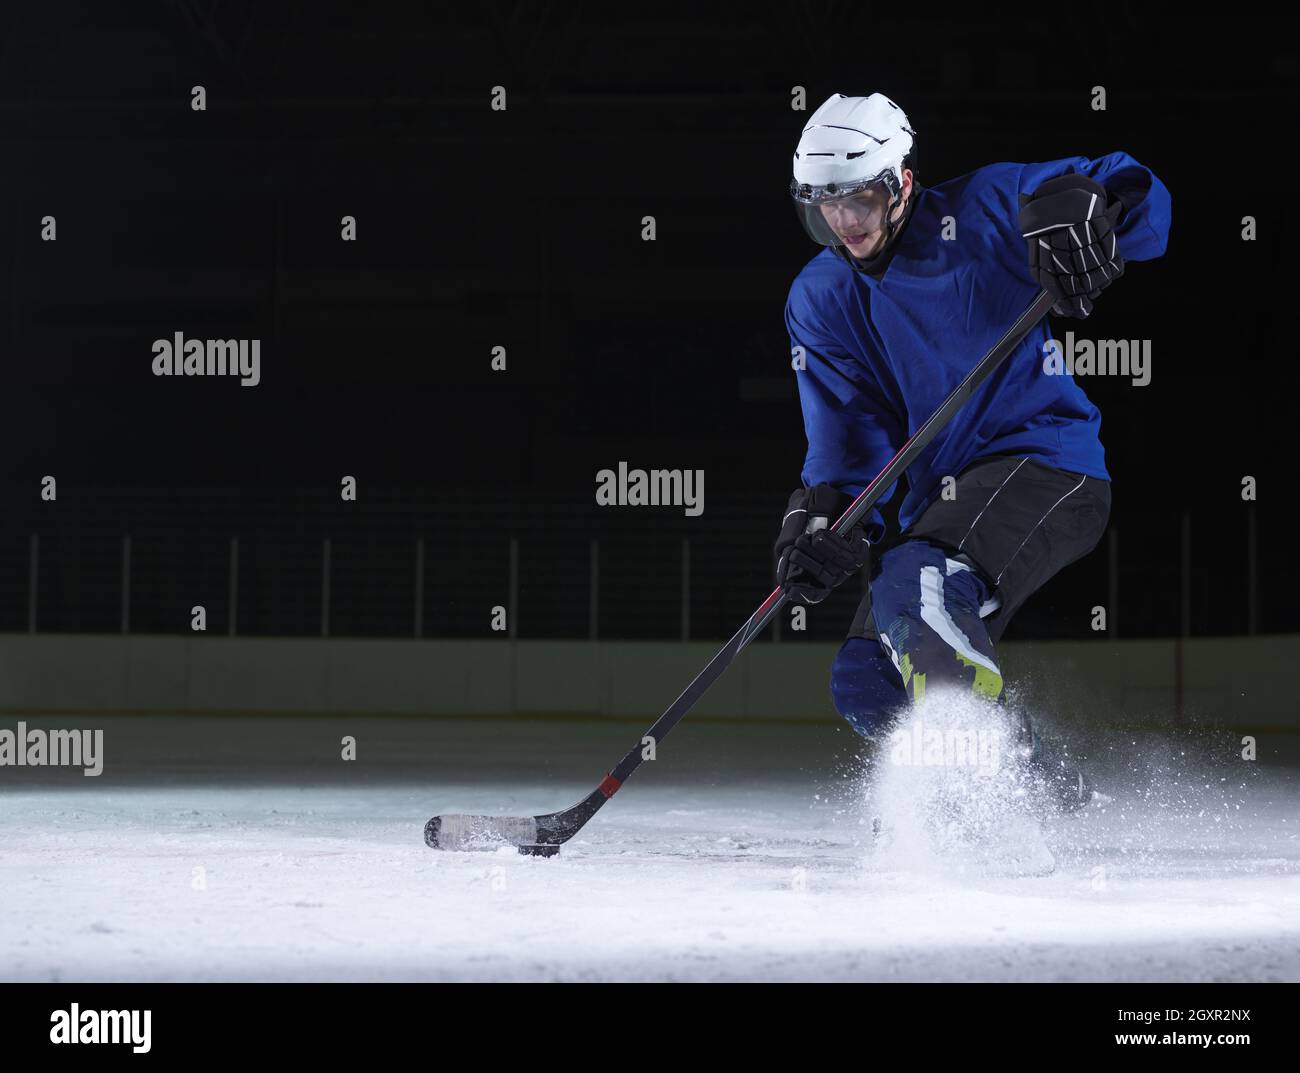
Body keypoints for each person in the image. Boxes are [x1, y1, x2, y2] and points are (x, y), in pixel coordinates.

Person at [774, 92, 1171, 809]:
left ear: (900, 182)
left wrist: (1093, 209)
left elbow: (1133, 192)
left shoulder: (985, 207)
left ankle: (969, 791)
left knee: (914, 581)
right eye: (823, 203)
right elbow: (846, 439)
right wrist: (824, 516)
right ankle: (1032, 781)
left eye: (858, 198)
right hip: (945, 500)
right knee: (864, 679)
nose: (844, 221)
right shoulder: (820, 295)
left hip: (1048, 462)